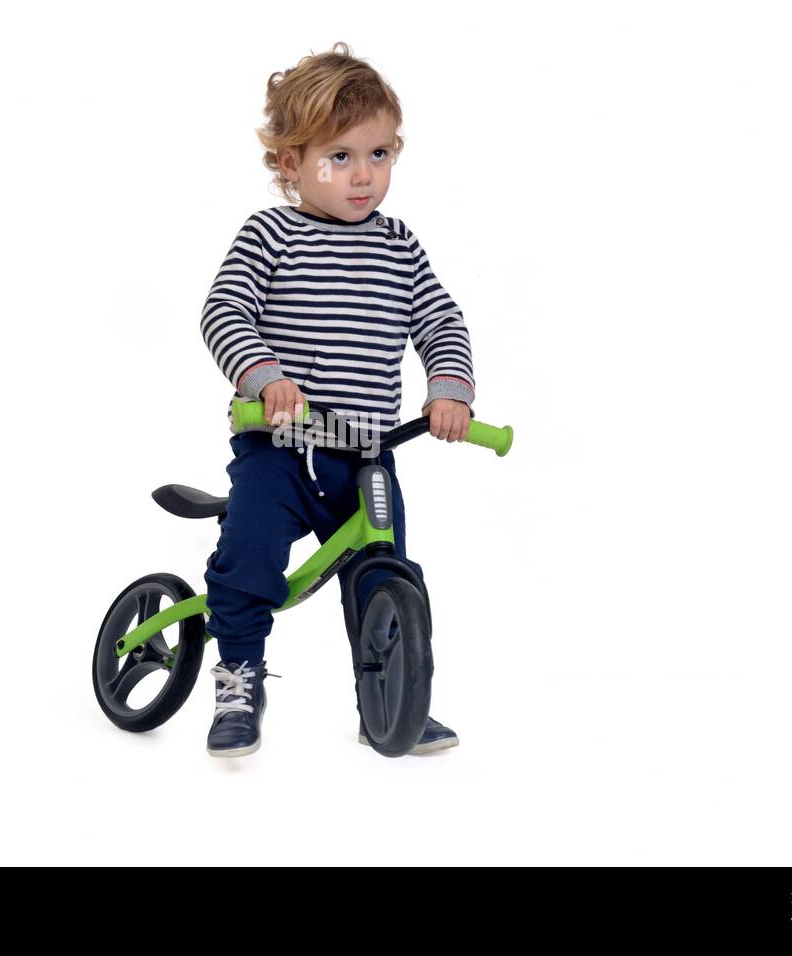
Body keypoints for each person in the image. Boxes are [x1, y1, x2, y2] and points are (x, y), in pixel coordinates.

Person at [200, 42, 477, 757]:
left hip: (367, 454)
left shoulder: (398, 246)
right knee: (251, 554)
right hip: (282, 446)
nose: (365, 175)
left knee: (385, 574)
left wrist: (447, 391)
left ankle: (390, 701)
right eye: (341, 157)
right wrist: (265, 375)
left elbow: (441, 321)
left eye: (379, 154)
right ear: (291, 163)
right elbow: (224, 309)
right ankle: (237, 674)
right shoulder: (272, 234)